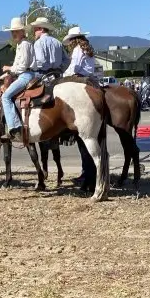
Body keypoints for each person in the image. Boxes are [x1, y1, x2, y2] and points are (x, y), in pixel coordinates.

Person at [62, 27, 97, 191]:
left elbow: (74, 68)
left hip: (80, 79)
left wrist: (62, 76)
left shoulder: (77, 49)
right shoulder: (88, 49)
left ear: (73, 39)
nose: (69, 44)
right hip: (91, 79)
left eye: (70, 41)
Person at [0, 16, 35, 140]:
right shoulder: (21, 45)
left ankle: (15, 127)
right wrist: (2, 76)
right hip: (23, 74)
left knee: (5, 96)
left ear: (22, 31)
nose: (13, 34)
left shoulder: (25, 45)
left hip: (26, 75)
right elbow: (16, 66)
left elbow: (23, 66)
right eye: (12, 32)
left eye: (15, 31)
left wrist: (9, 68)